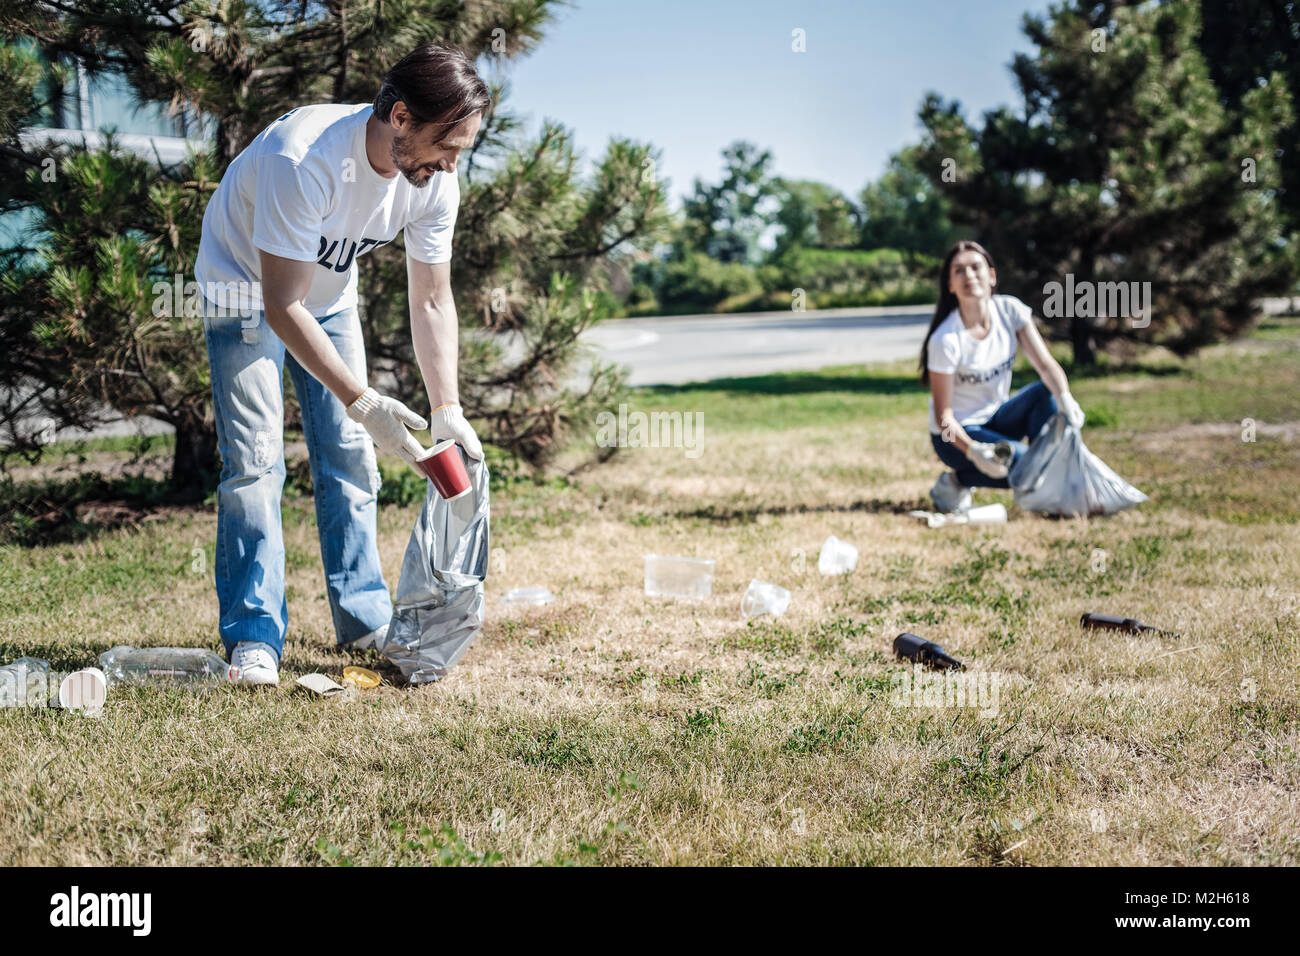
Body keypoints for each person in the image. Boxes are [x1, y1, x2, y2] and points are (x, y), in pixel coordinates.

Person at [194, 44, 487, 686]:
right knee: (255, 462)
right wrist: (365, 401)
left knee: (351, 457)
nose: (452, 164)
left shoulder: (434, 180)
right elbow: (280, 303)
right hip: (244, 292)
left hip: (325, 297)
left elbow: (433, 297)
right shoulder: (302, 158)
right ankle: (253, 637)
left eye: (463, 149)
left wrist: (448, 409)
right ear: (401, 116)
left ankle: (362, 617)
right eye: (448, 143)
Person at [920, 241, 1086, 513]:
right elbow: (944, 418)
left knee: (1044, 393)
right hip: (955, 437)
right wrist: (973, 450)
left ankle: (1046, 483)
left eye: (976, 267)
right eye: (959, 271)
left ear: (992, 276)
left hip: (997, 419)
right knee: (1024, 464)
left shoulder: (1010, 311)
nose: (969, 276)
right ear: (950, 285)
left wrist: (1065, 398)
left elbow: (1046, 367)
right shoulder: (945, 340)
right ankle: (955, 480)